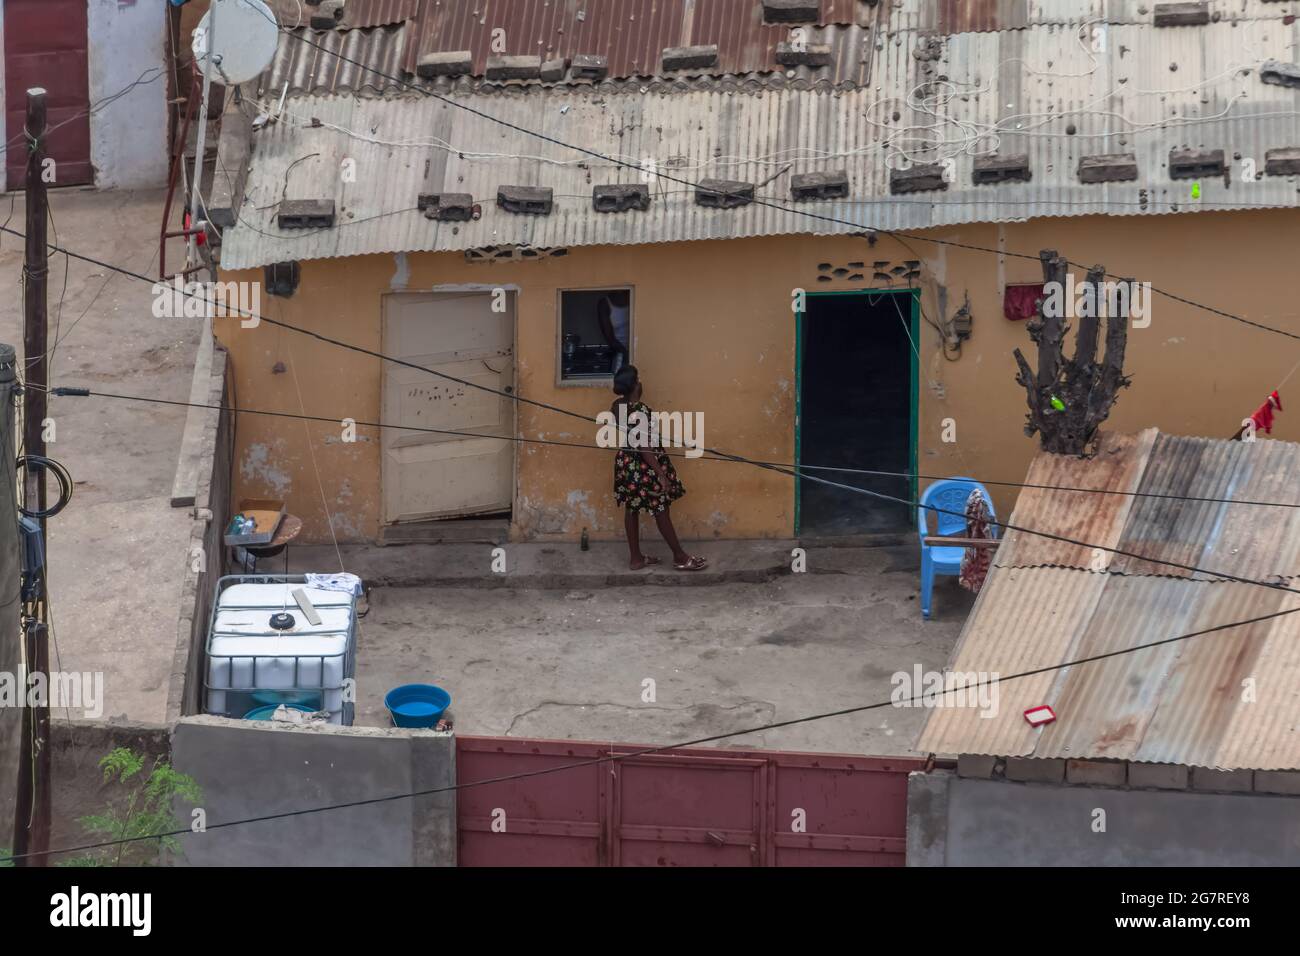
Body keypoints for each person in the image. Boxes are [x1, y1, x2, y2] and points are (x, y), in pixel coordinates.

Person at [610, 365, 707, 571]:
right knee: (661, 508)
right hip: (644, 466)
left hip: (625, 464)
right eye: (638, 379)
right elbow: (644, 446)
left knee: (631, 508)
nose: (641, 382)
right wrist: (661, 474)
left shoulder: (617, 406)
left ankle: (636, 558)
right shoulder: (641, 410)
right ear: (635, 386)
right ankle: (680, 557)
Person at [597, 291, 631, 374]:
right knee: (621, 379)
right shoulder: (604, 303)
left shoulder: (634, 295)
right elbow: (610, 339)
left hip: (637, 349)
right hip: (619, 351)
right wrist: (627, 354)